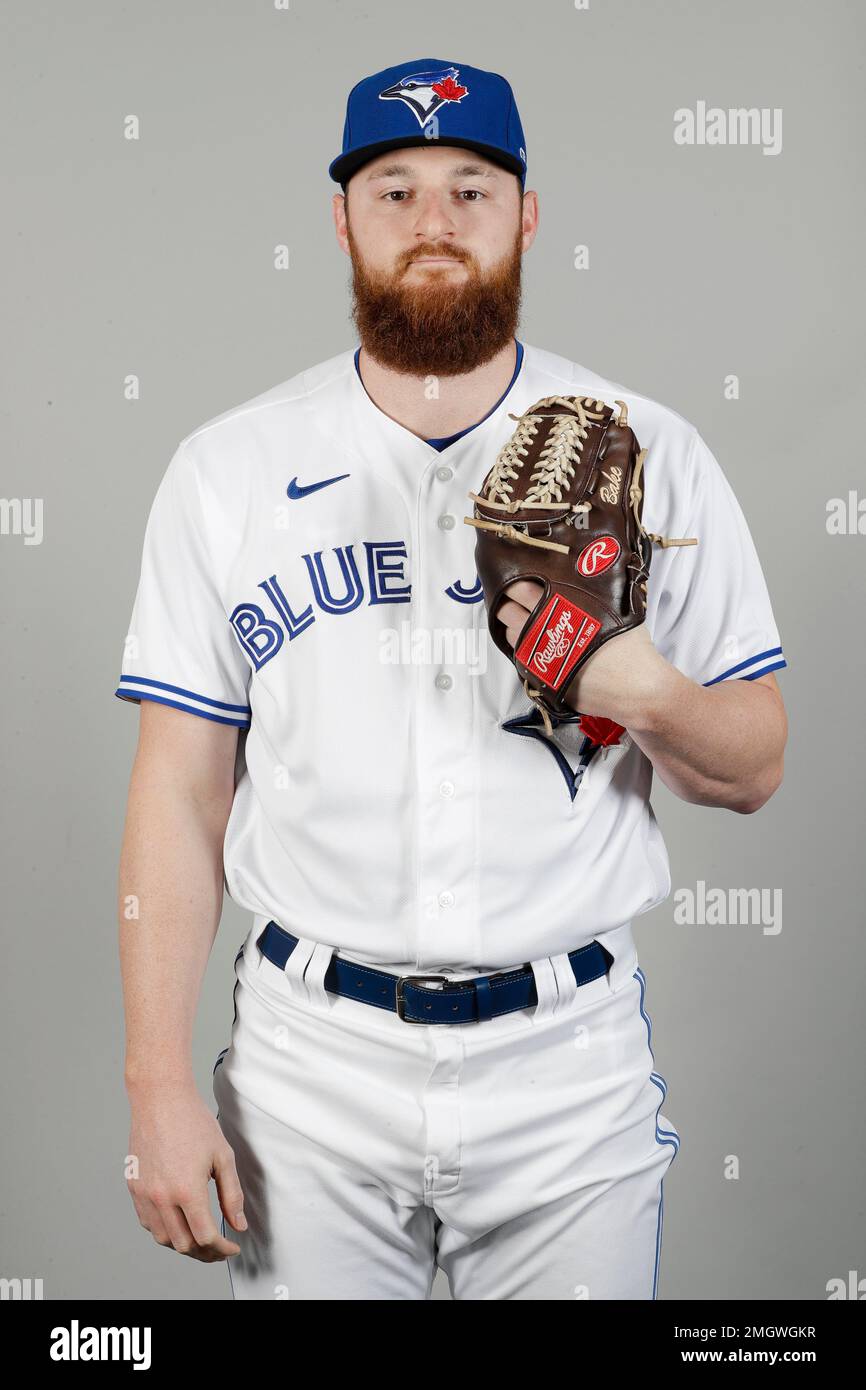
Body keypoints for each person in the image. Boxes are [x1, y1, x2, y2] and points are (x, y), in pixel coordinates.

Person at [116, 58, 788, 1300]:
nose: (432, 222)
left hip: (566, 1071)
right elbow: (180, 793)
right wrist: (157, 1089)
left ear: (527, 215)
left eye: (470, 188)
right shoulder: (227, 468)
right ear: (340, 219)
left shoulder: (648, 453)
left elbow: (754, 764)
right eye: (395, 188)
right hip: (309, 1070)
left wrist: (644, 690)